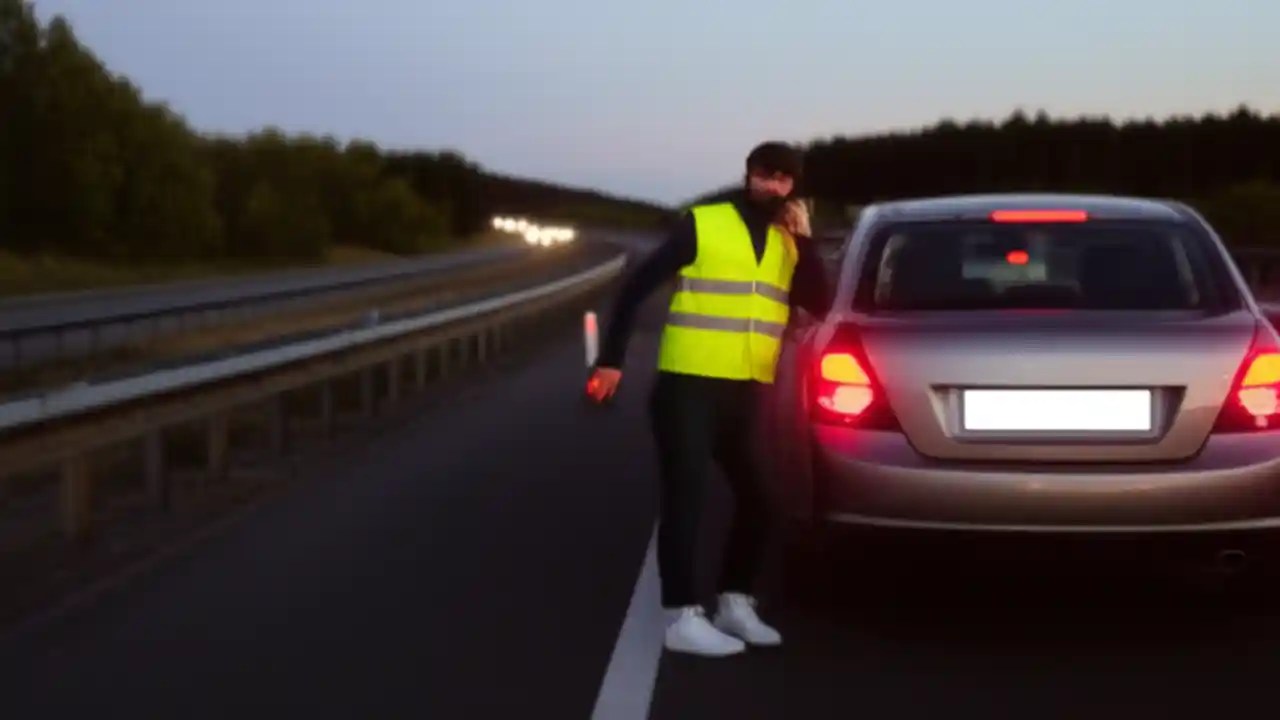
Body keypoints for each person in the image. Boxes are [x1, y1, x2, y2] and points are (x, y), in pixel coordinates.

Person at [586, 141, 831, 657]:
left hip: (747, 388)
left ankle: (734, 603)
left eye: (786, 179)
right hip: (688, 385)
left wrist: (805, 241)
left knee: (762, 497)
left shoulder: (789, 242)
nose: (775, 186)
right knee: (687, 496)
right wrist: (610, 360)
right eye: (767, 175)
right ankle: (681, 617)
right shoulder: (705, 222)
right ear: (749, 174)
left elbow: (819, 302)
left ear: (795, 186)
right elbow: (634, 288)